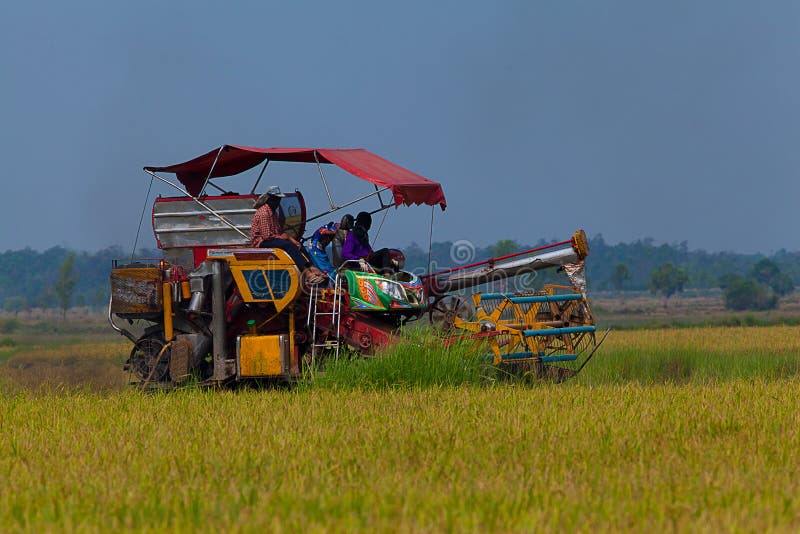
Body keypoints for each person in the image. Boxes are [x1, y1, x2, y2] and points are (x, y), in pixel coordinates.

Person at [250, 186, 320, 279]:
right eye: (276, 199)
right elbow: (267, 236)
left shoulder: (273, 212)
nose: (278, 202)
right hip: (261, 242)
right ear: (270, 199)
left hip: (273, 238)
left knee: (299, 245)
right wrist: (284, 238)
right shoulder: (264, 213)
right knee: (288, 245)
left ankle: (311, 267)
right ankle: (306, 272)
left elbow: (280, 230)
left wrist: (293, 240)